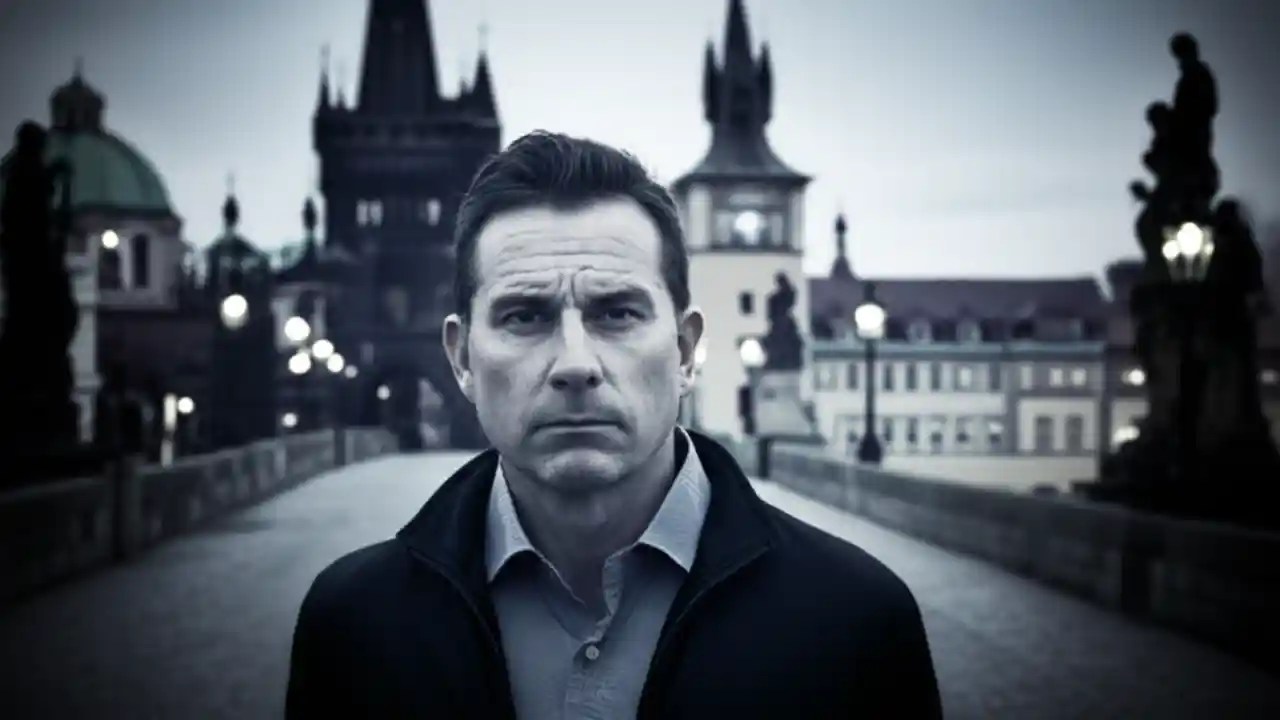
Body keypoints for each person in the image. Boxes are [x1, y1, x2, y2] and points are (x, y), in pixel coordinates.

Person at [285, 131, 942, 718]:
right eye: (525, 316)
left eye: (617, 313)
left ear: (685, 351)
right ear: (461, 358)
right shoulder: (351, 624)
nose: (575, 364)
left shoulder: (857, 621)